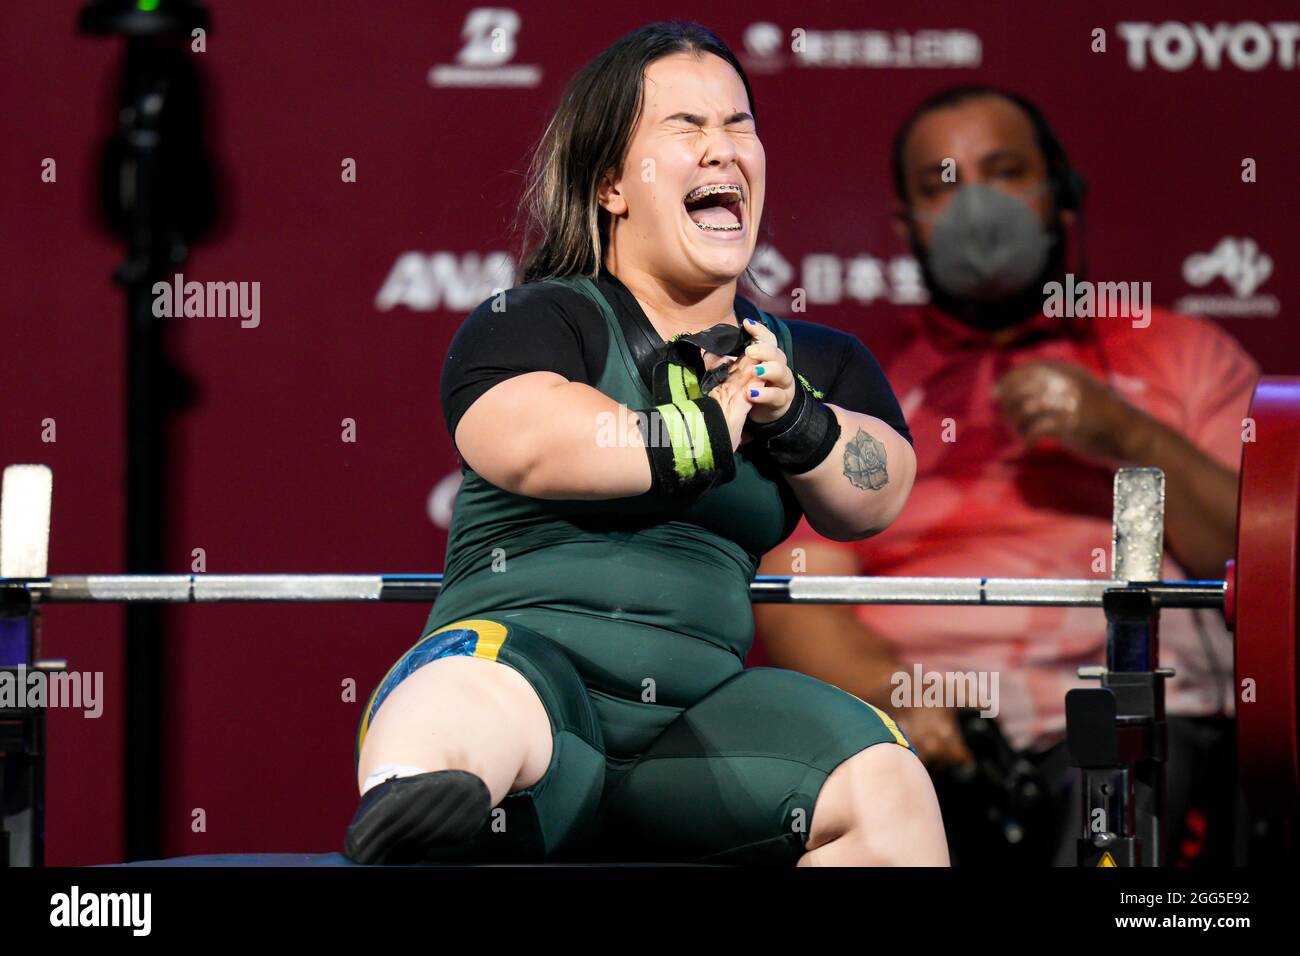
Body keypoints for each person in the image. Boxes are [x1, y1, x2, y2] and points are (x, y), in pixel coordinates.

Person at [344, 21, 948, 866]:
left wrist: (795, 418)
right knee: (470, 690)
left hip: (695, 738)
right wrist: (703, 428)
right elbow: (522, 441)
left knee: (887, 785)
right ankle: (420, 797)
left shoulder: (816, 362)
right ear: (612, 186)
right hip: (534, 706)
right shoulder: (539, 321)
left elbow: (875, 489)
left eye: (738, 124)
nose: (722, 150)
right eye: (686, 127)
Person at [754, 85, 1258, 865]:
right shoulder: (853, 385)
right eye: (941, 184)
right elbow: (799, 600)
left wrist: (1127, 432)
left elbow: (1260, 568)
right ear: (905, 224)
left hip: (1137, 724)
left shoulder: (1183, 355)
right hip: (926, 734)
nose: (974, 206)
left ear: (1061, 193)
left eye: (1004, 170)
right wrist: (909, 702)